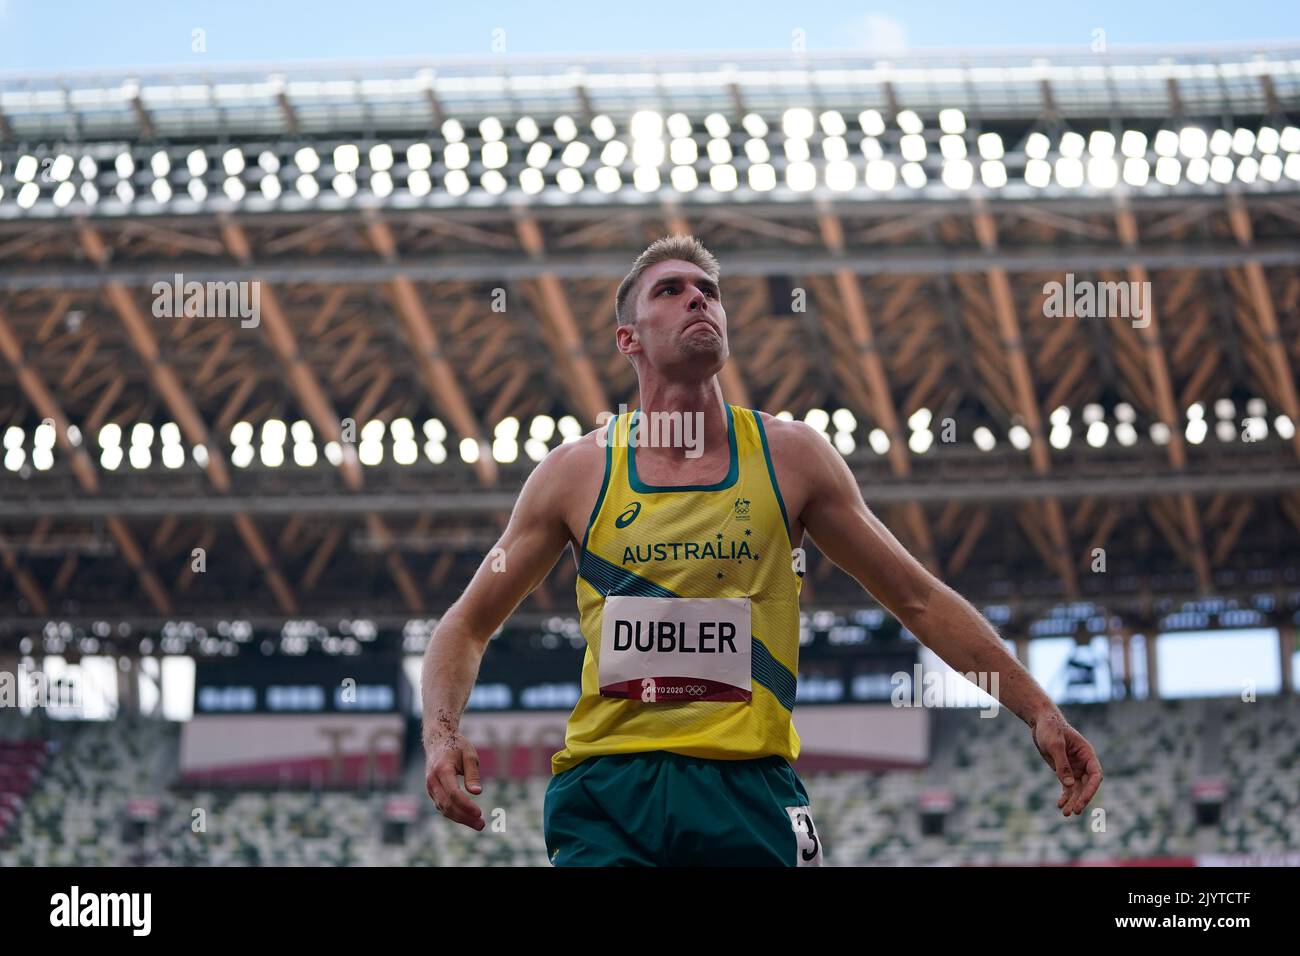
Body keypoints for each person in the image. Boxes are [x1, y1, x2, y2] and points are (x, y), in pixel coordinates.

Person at [422, 235, 1103, 866]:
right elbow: (467, 623)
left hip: (747, 791)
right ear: (628, 338)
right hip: (608, 791)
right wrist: (441, 731)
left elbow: (916, 598)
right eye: (671, 290)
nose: (698, 298)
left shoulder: (792, 457)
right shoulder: (578, 472)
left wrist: (1038, 707)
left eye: (709, 291)